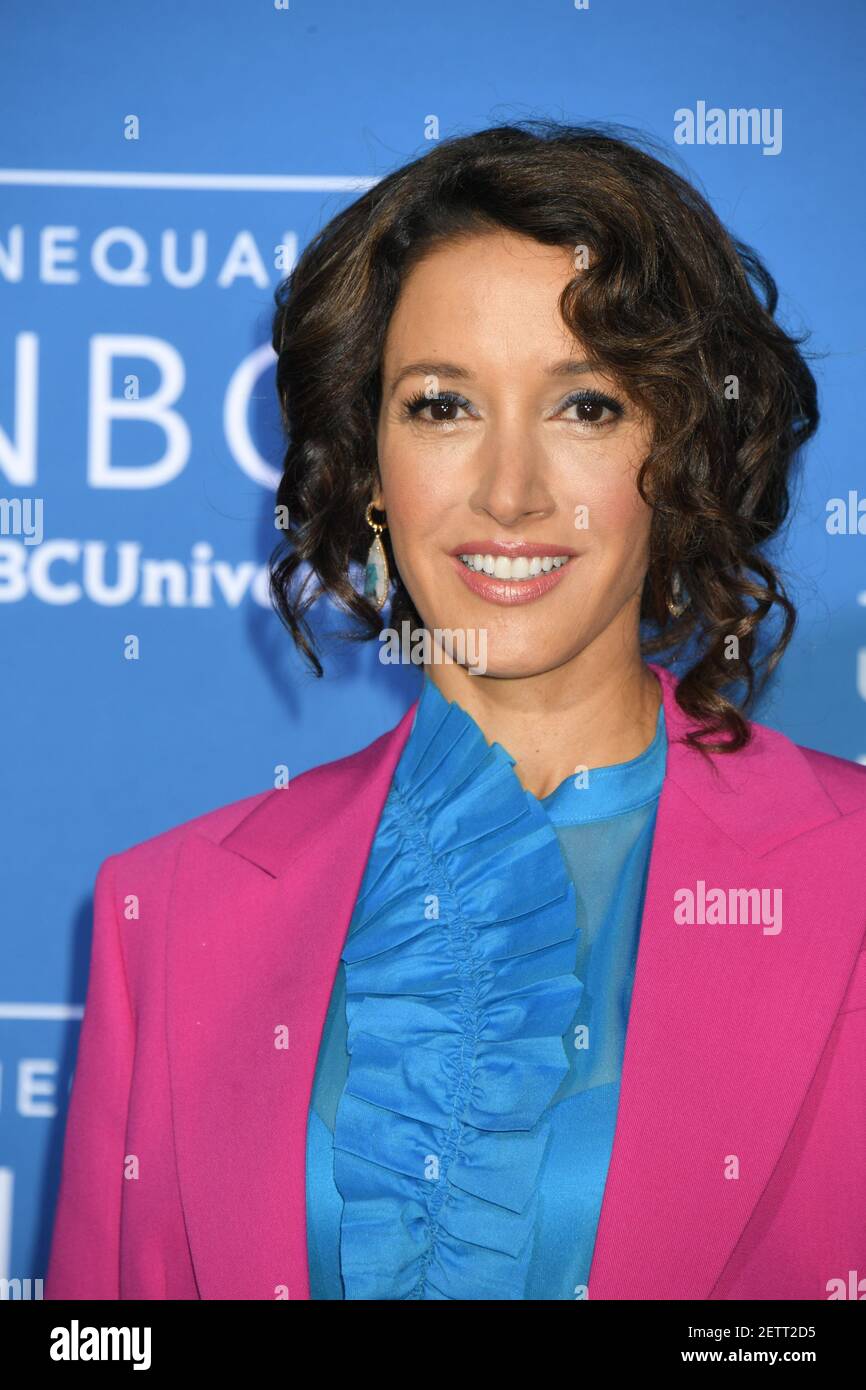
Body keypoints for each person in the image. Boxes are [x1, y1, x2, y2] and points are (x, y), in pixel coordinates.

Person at [46, 120, 866, 1301]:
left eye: (583, 406)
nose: (509, 492)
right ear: (369, 467)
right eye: (441, 406)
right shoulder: (167, 912)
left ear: (676, 451)